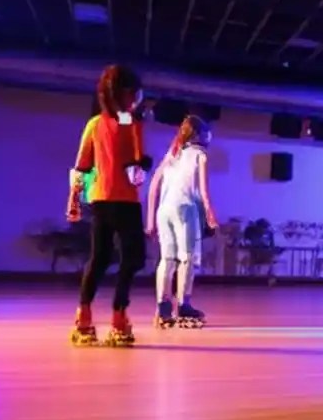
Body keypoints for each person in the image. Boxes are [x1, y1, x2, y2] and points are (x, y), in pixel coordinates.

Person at [67, 64, 151, 347]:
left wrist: (74, 200)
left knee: (100, 259)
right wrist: (141, 163)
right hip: (125, 200)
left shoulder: (93, 124)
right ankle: (119, 316)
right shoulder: (129, 121)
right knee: (133, 258)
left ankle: (84, 318)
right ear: (126, 93)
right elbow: (135, 169)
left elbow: (81, 166)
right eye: (134, 92)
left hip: (100, 199)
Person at [146, 115, 219, 329]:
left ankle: (162, 306)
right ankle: (184, 305)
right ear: (199, 134)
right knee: (187, 258)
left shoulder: (172, 154)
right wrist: (210, 214)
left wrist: (150, 220)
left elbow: (153, 186)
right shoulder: (200, 154)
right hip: (185, 209)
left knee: (167, 259)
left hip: (164, 210)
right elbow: (203, 191)